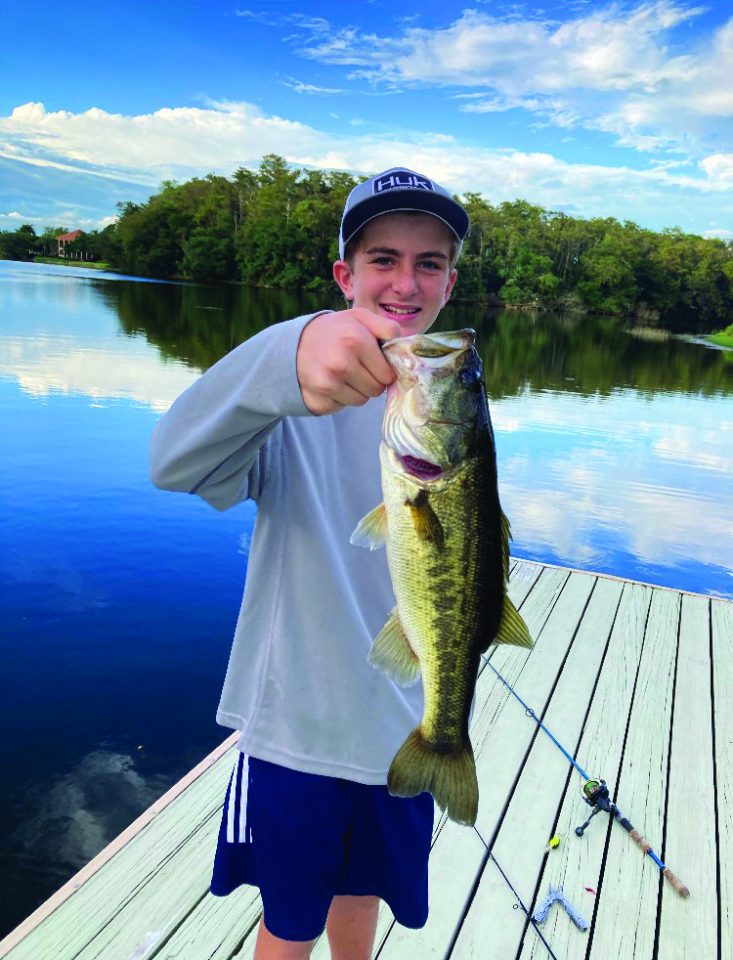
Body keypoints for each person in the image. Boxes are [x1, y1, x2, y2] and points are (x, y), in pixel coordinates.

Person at [149, 167, 470, 960]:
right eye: (383, 259)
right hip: (294, 732)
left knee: (361, 899)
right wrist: (285, 350)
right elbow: (172, 464)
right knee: (290, 920)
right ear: (344, 276)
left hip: (400, 727)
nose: (405, 280)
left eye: (429, 262)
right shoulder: (284, 406)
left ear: (450, 283)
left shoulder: (447, 413)